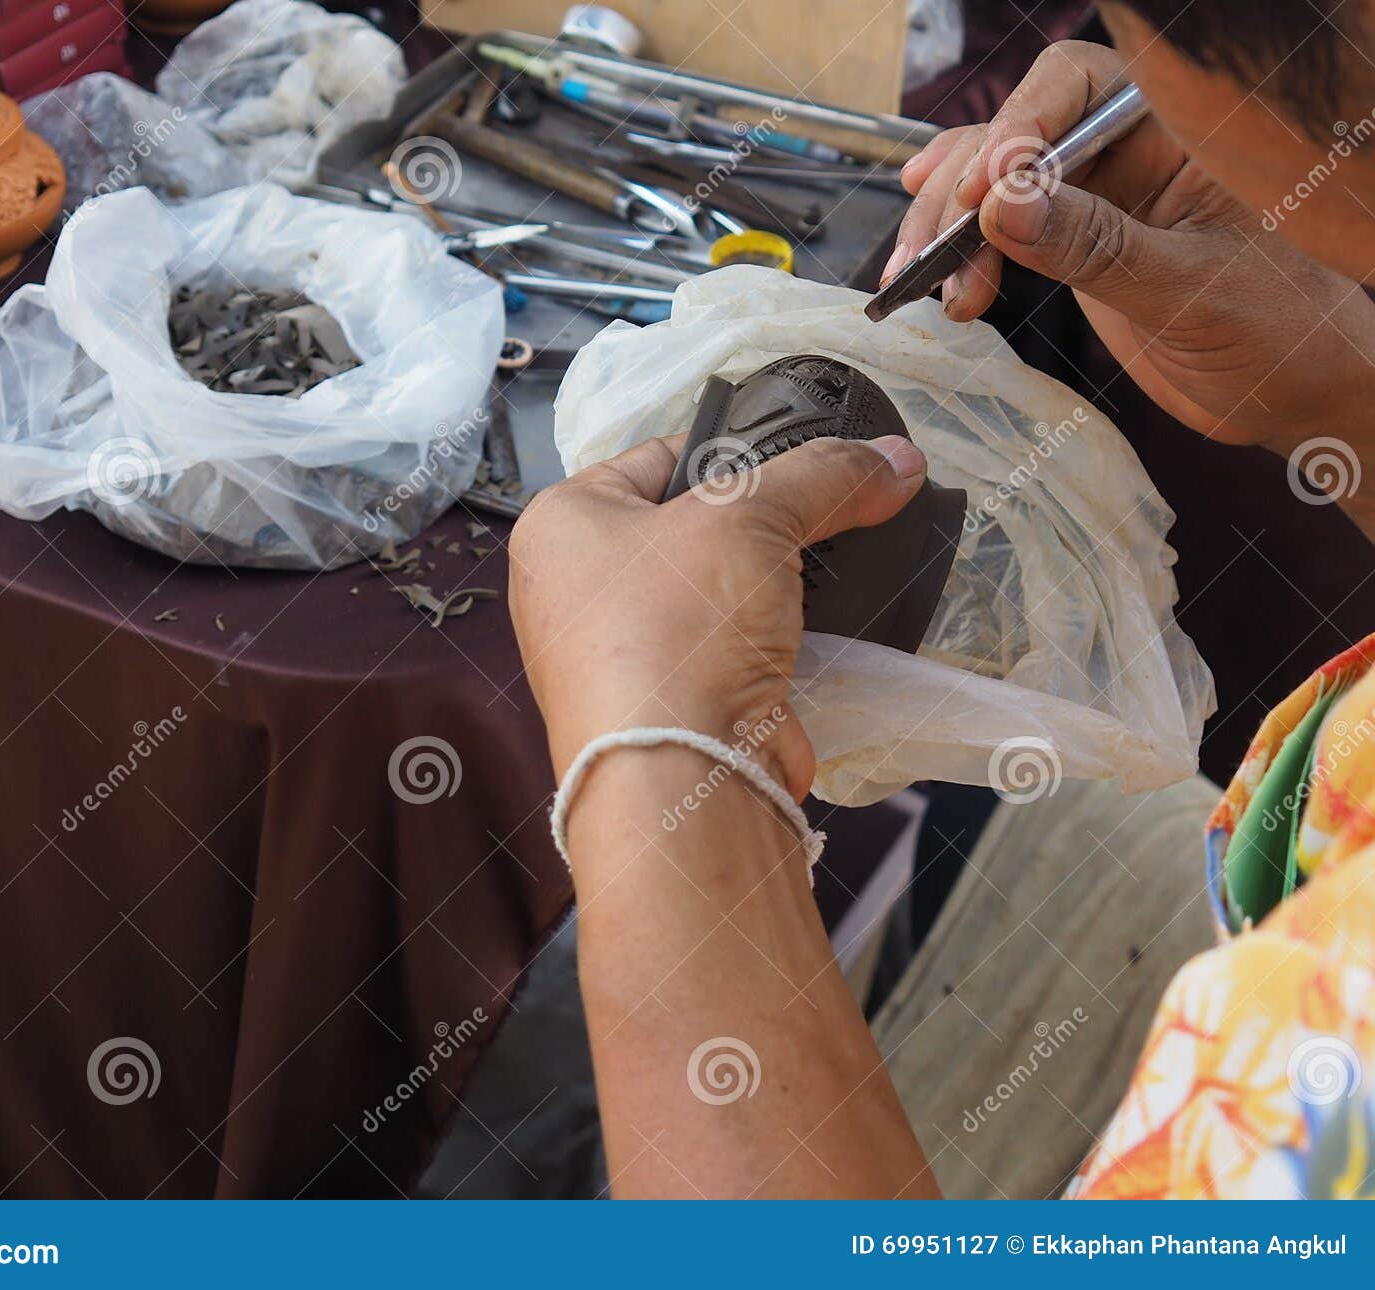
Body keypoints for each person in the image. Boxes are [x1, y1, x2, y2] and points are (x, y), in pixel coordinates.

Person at [507, 1, 1375, 1198]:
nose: (1121, 66)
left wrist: (661, 752)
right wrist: (1342, 381)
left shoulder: (1334, 1024)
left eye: (1151, 32)